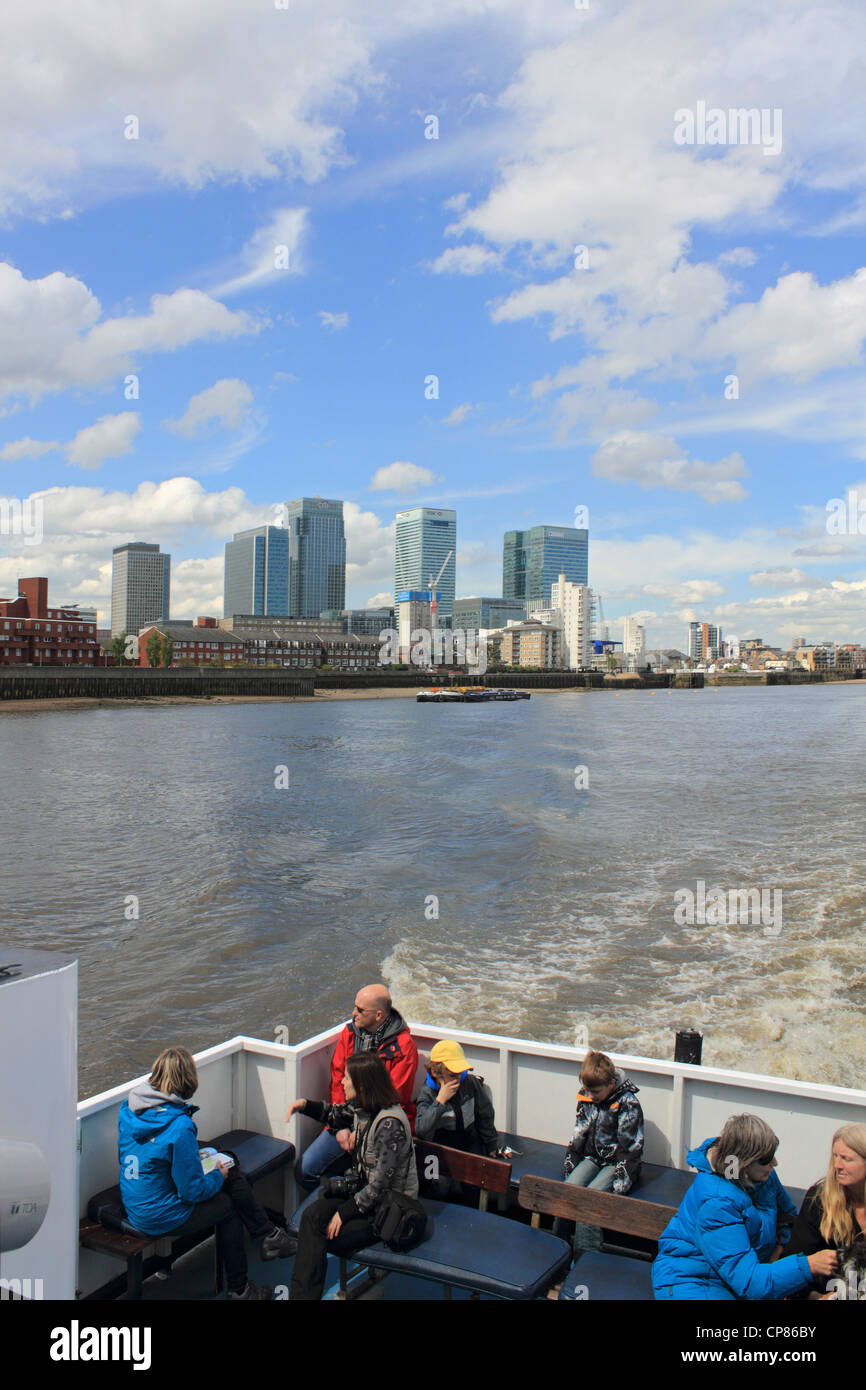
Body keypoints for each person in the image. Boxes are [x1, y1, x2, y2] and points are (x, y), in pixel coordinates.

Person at [118, 1045, 294, 1300]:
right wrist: (216, 1176)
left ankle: (268, 1236)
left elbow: (143, 1157)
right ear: (188, 1081)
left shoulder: (128, 1110)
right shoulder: (180, 1126)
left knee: (230, 1171)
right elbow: (191, 1191)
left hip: (135, 1200)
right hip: (159, 1214)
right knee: (228, 1204)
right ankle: (241, 1287)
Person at [652, 1113, 838, 1300]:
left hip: (741, 1279)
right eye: (766, 1159)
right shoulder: (717, 1203)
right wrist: (808, 1266)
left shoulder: (763, 1176)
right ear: (744, 1162)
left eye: (772, 1155)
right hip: (695, 1282)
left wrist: (778, 1251)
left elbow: (787, 1219)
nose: (775, 1163)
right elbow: (750, 1284)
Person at [285, 1051, 419, 1300]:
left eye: (346, 1079)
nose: (342, 1083)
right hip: (365, 1198)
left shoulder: (389, 1124)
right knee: (312, 1216)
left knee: (320, 1235)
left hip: (389, 1209)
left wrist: (344, 1212)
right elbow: (334, 1114)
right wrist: (304, 1105)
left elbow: (380, 1186)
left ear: (361, 1085)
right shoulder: (363, 1109)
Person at [295, 983, 418, 1192]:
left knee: (373, 1180)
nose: (353, 1014)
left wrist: (360, 1130)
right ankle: (342, 1195)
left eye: (360, 1010)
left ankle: (352, 1199)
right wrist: (341, 1126)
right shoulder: (349, 1034)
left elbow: (394, 1098)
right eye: (355, 1007)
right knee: (305, 1170)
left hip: (380, 1127)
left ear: (379, 1015)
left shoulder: (404, 1047)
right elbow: (337, 1079)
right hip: (345, 1118)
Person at [557, 1050, 644, 1250]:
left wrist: (621, 1185)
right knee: (566, 1191)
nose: (591, 1096)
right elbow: (579, 1134)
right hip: (592, 1158)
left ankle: (585, 1260)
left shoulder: (627, 1103)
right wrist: (571, 1164)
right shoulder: (587, 1098)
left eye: (596, 1092)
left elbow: (630, 1149)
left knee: (592, 1199)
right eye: (588, 1091)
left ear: (611, 1084)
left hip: (616, 1163)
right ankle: (557, 1251)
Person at [786, 1122, 866, 1299]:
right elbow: (794, 1264)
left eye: (846, 1159)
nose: (837, 1165)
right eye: (835, 1156)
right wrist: (818, 1298)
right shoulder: (819, 1200)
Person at [415, 1040, 498, 1155]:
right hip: (443, 1148)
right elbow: (421, 1130)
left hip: (471, 1141)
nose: (457, 1079)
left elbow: (484, 1114)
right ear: (434, 1072)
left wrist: (491, 1144)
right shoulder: (427, 1093)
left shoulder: (470, 1083)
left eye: (460, 1073)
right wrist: (440, 1101)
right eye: (452, 1075)